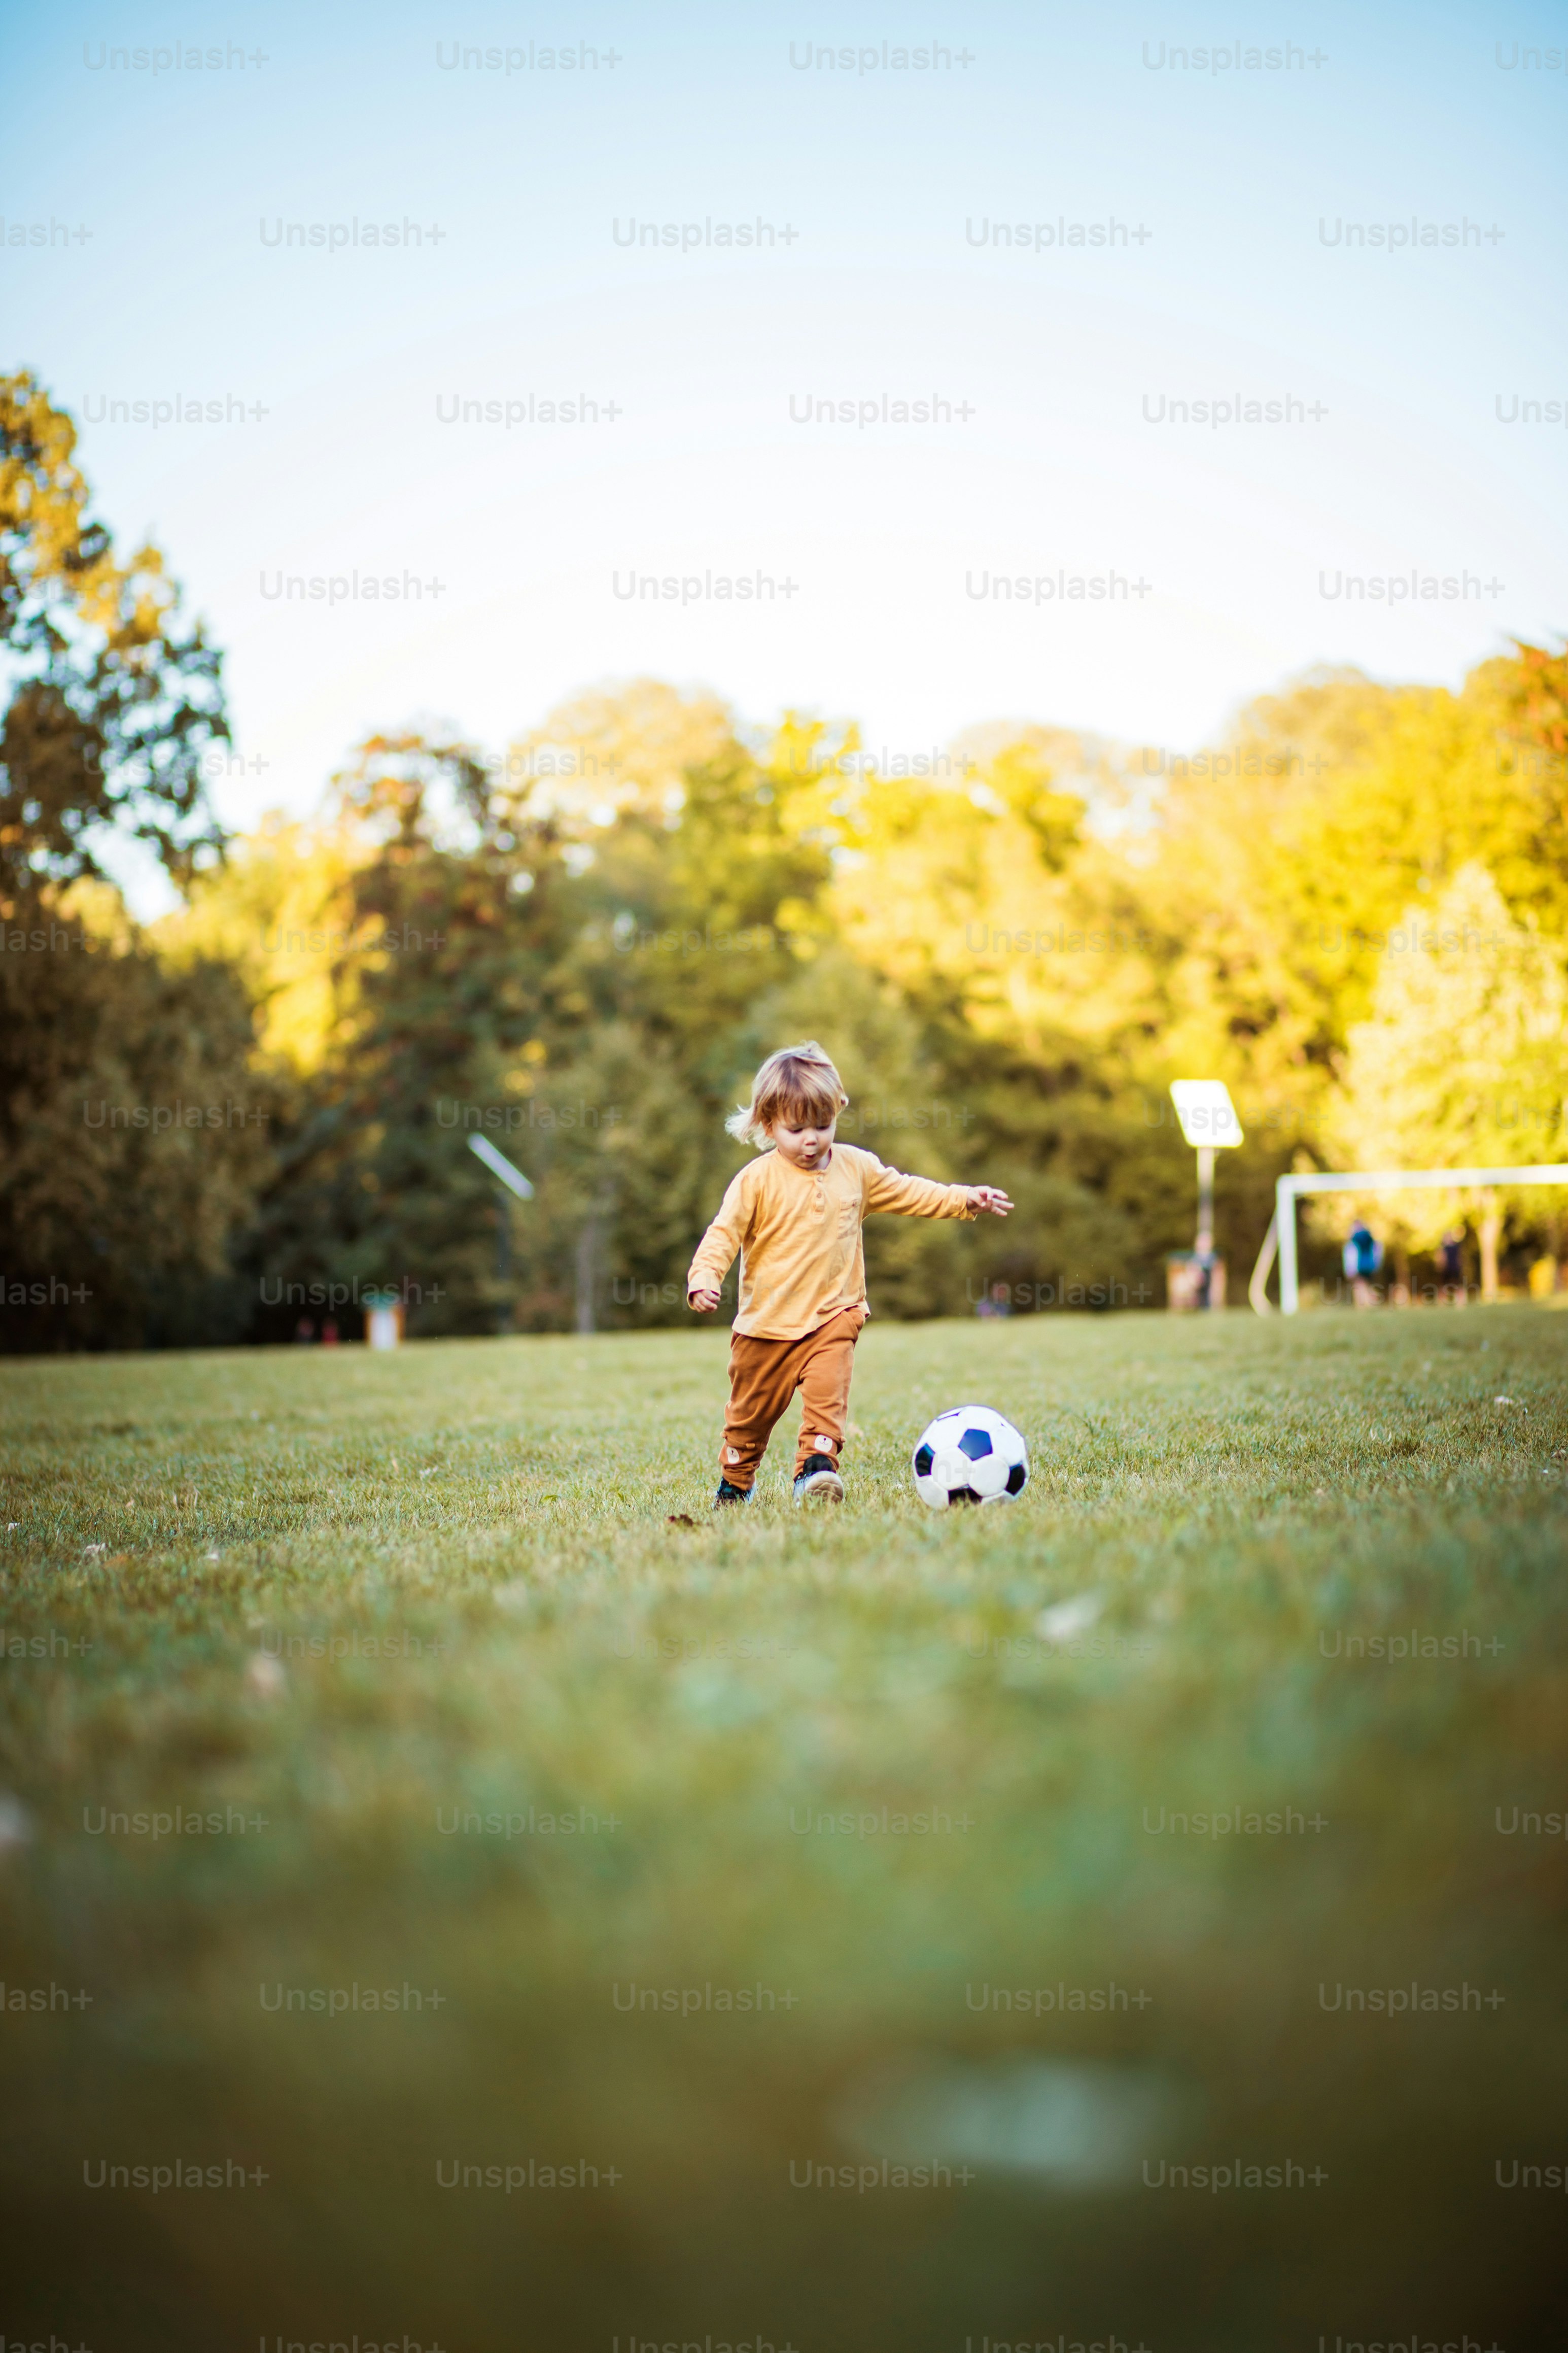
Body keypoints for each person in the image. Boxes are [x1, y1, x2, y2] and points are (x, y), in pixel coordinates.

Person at [686, 1041, 1012, 1506]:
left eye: (823, 1125)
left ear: (837, 1111)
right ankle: (736, 1483)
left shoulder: (856, 1168)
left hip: (834, 1314)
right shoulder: (755, 1181)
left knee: (827, 1400)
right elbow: (723, 1234)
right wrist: (705, 1276)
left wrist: (963, 1199)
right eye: (796, 1128)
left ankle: (815, 1471)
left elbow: (909, 1191)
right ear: (768, 1123)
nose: (812, 1139)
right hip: (765, 1328)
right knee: (748, 1421)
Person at [1343, 1222, 1382, 1309]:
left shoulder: (1354, 1239)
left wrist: (1349, 1268)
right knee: (1366, 1284)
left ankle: (1364, 1304)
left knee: (1359, 1284)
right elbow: (1377, 1250)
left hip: (1358, 1265)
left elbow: (1351, 1253)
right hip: (1370, 1264)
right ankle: (1371, 1300)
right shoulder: (1370, 1238)